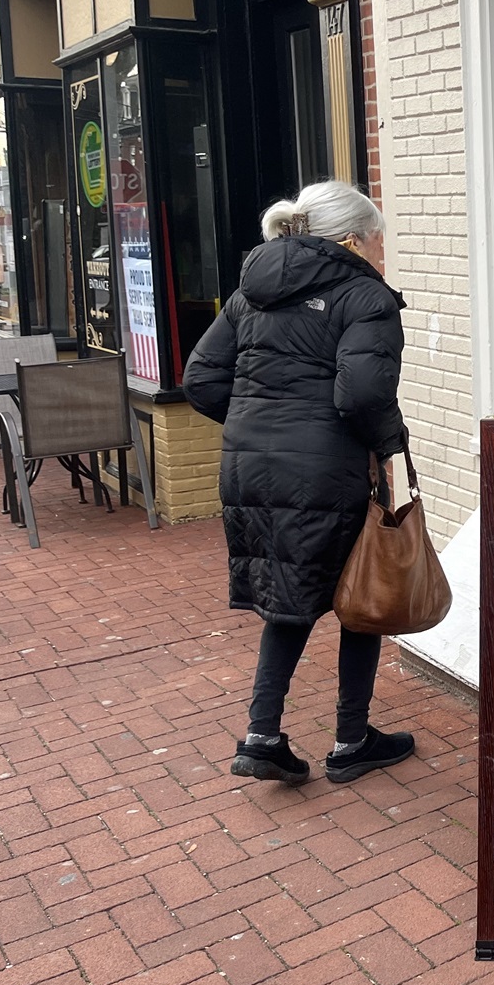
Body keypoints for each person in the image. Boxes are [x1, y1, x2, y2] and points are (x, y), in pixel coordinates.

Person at [184, 180, 416, 785]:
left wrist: (259, 426)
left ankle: (262, 738)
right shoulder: (365, 296)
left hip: (249, 471)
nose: (381, 251)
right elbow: (362, 394)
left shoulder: (250, 293)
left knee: (287, 599)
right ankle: (351, 740)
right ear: (350, 240)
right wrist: (391, 447)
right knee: (361, 601)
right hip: (326, 472)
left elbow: (202, 382)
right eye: (377, 239)